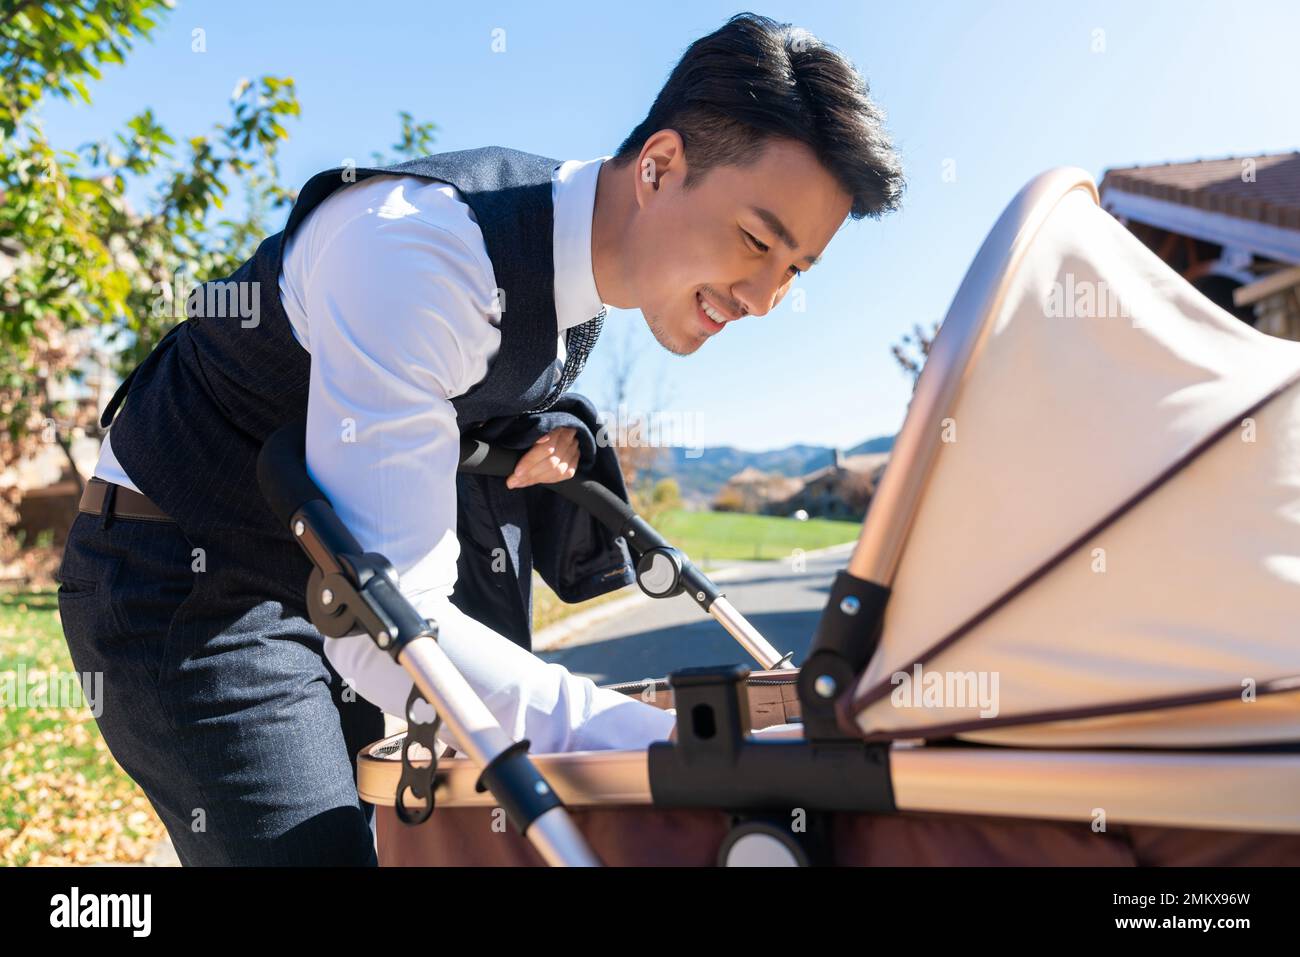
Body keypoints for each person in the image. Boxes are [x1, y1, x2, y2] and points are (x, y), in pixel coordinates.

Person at [56, 12, 904, 865]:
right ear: (659, 164)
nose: (763, 297)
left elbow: (464, 394)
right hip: (187, 571)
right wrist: (666, 749)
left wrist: (557, 426)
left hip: (326, 566)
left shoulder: (579, 292)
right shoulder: (419, 254)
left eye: (794, 270)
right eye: (756, 241)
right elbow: (390, 626)